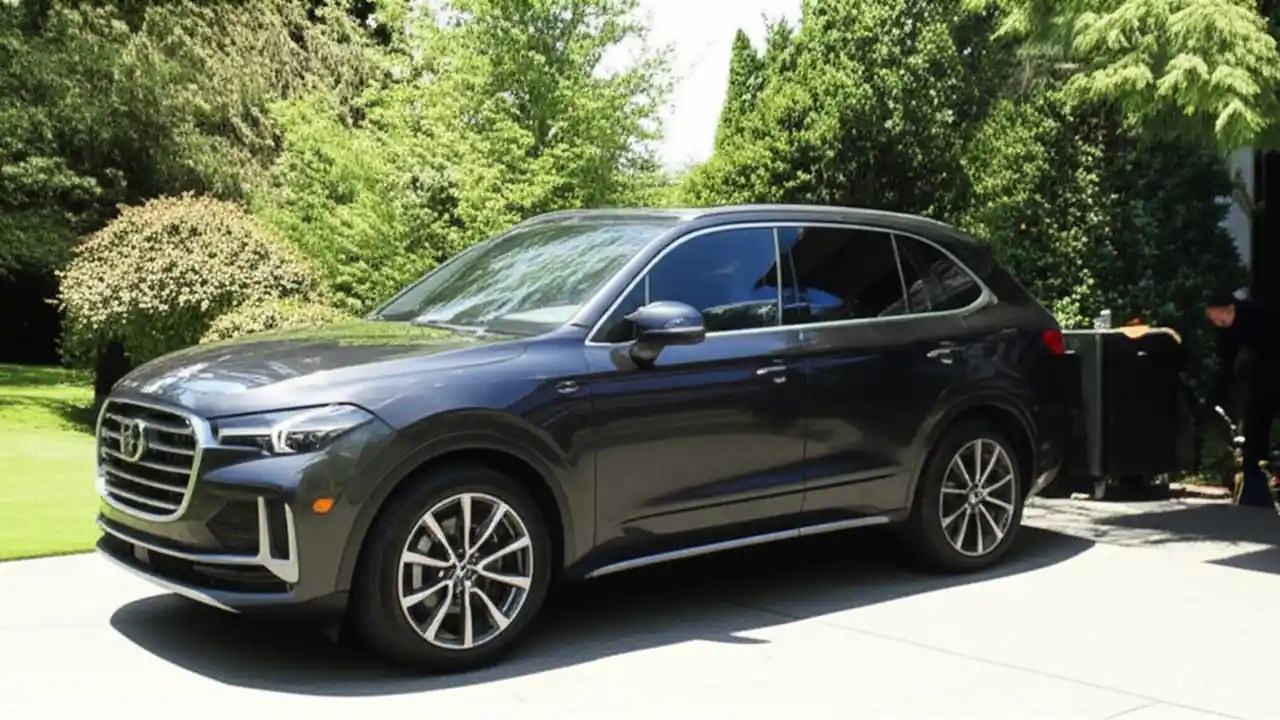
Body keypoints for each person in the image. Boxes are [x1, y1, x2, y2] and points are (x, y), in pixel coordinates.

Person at [1205, 290, 1280, 506]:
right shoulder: (1227, 331)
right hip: (1261, 376)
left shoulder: (1259, 316)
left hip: (1272, 366)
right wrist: (1220, 391)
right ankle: (1254, 481)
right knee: (1256, 422)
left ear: (1230, 309)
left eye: (1218, 317)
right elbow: (1227, 361)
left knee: (1261, 414)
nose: (1217, 323)